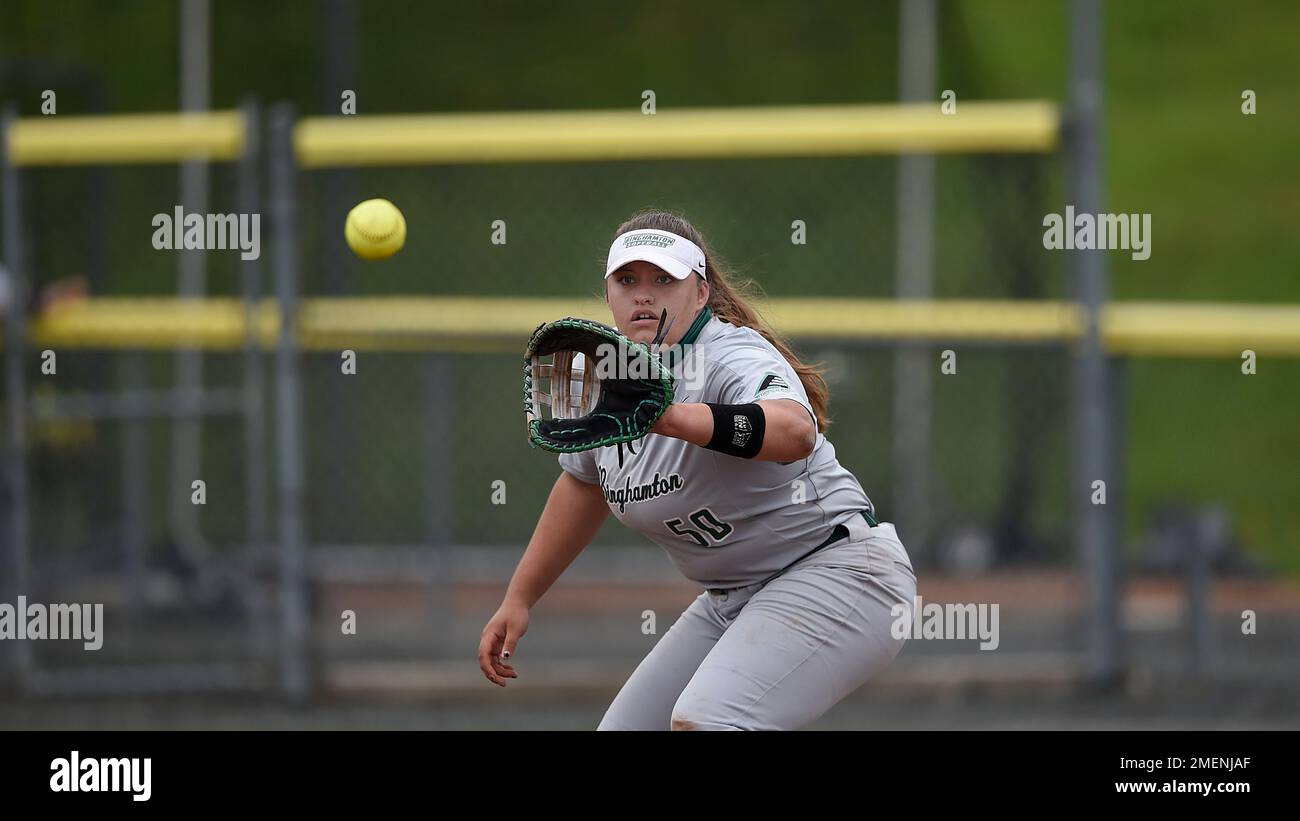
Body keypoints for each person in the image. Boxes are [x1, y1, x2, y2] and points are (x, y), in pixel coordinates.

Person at [478, 210, 917, 730]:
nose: (644, 294)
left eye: (663, 279)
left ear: (701, 293)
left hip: (841, 573)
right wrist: (519, 598)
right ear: (609, 296)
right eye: (627, 280)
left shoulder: (730, 357)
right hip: (734, 598)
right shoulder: (607, 375)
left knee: (706, 720)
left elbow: (794, 431)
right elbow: (583, 483)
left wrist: (673, 418)